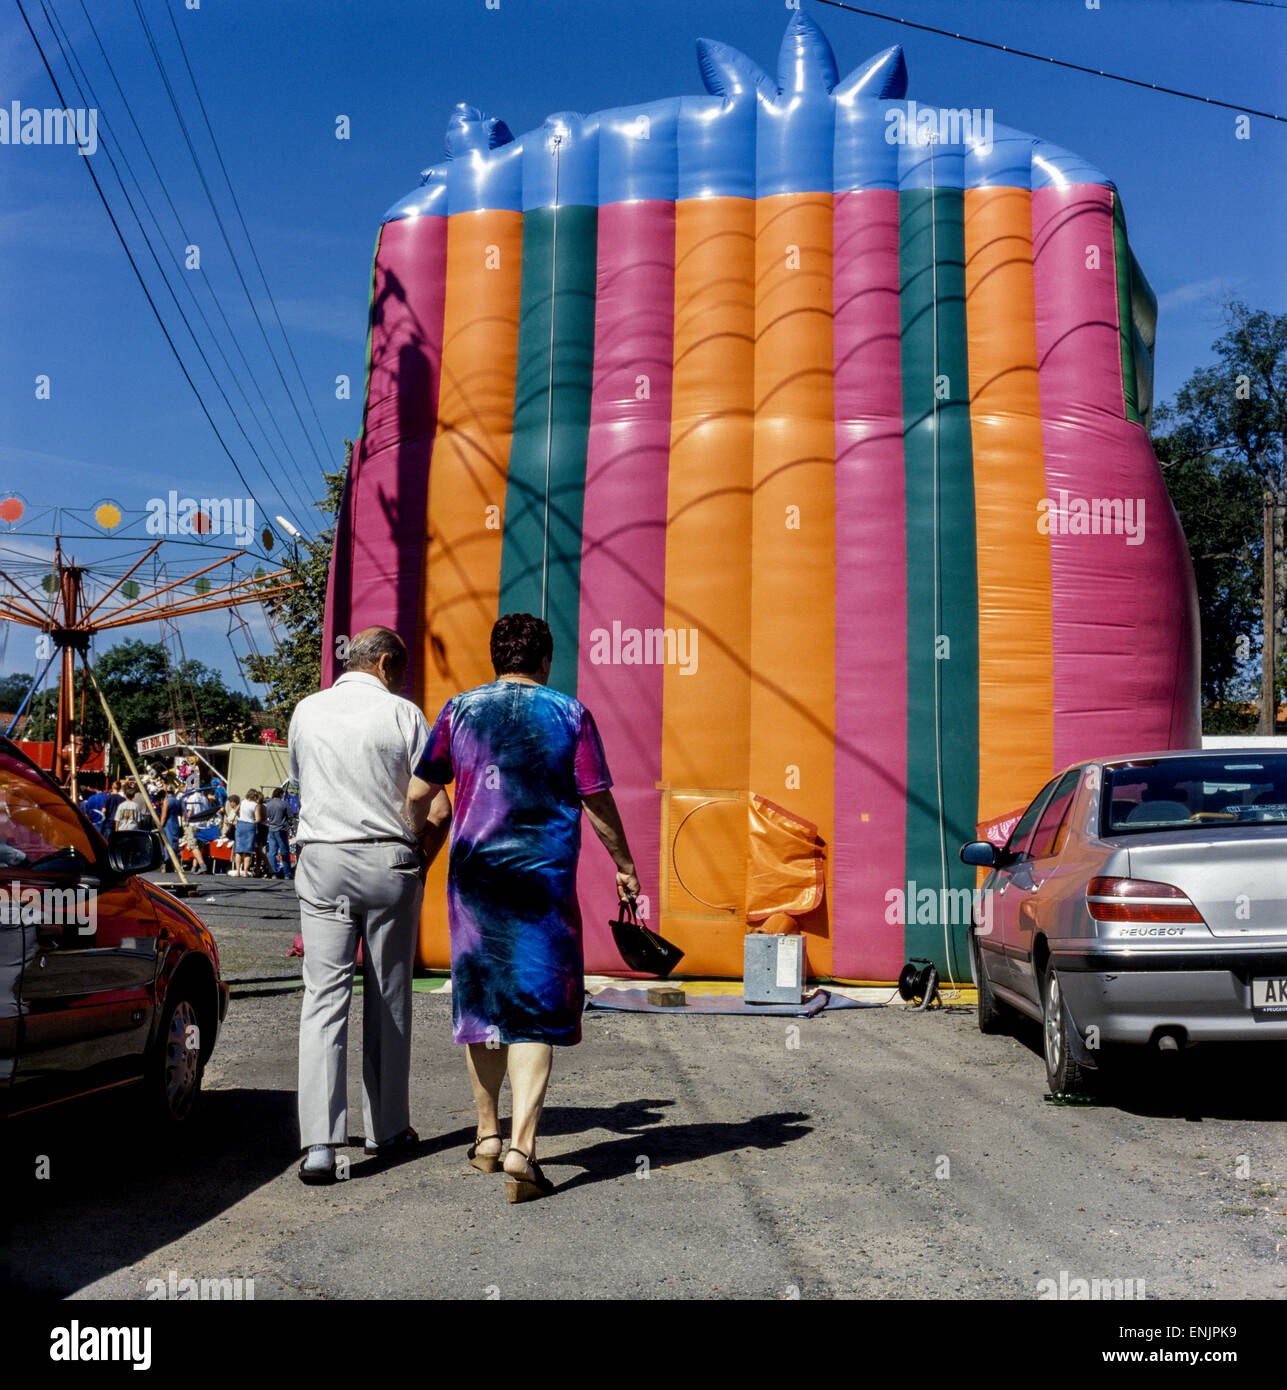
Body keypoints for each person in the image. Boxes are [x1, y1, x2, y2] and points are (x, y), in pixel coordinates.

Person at [411, 612, 639, 1203]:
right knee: (533, 1009)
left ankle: (487, 1137)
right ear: (545, 660)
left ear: (495, 657)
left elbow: (419, 791)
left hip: (475, 880)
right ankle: (522, 1149)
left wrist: (420, 845)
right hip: (541, 883)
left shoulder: (459, 711)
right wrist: (625, 865)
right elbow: (597, 800)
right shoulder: (569, 714)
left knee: (483, 1003)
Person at [289, 625, 449, 1185]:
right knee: (389, 997)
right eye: (400, 670)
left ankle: (320, 1146)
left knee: (323, 1000)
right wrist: (418, 865)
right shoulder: (404, 716)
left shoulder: (306, 711)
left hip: (323, 861)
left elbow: (301, 787)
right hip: (389, 864)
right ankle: (388, 1128)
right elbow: (439, 808)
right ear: (385, 665)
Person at [264, 786, 292, 879]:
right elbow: (290, 817)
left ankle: (274, 873)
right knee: (284, 852)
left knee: (272, 852)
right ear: (280, 794)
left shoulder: (268, 804)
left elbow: (266, 816)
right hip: (282, 830)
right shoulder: (284, 804)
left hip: (271, 829)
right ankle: (287, 874)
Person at [233, 789, 262, 877]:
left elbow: (235, 811)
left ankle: (237, 871)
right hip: (250, 827)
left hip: (240, 825)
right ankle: (245, 871)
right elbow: (258, 819)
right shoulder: (255, 805)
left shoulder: (243, 802)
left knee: (238, 850)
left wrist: (240, 816)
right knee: (248, 851)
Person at [159, 784, 185, 873]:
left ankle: (168, 863)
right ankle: (174, 864)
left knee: (167, 843)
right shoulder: (178, 801)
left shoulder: (167, 801)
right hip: (175, 823)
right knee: (174, 844)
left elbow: (164, 815)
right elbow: (181, 813)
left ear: (167, 792)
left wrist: (160, 825)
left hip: (168, 824)